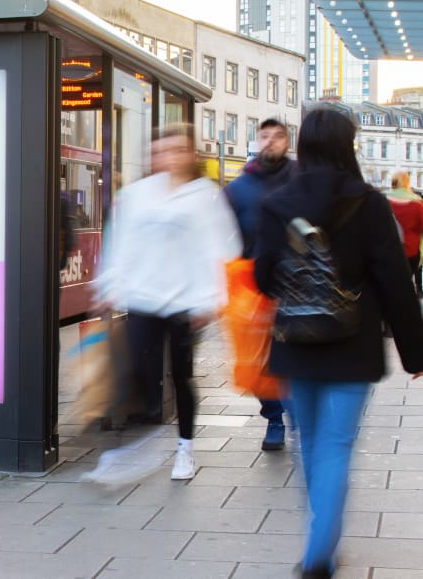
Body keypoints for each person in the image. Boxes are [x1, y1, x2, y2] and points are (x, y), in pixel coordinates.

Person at [254, 108, 423, 579]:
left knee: (310, 442)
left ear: (304, 145)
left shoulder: (279, 201)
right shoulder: (369, 204)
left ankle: (320, 542)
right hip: (354, 345)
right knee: (337, 445)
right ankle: (320, 551)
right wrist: (415, 351)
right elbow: (395, 283)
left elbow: (263, 278)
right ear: (348, 145)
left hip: (297, 344)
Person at [95, 123, 242, 480]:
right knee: (138, 370)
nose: (168, 157)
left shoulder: (204, 196)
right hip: (144, 296)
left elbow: (222, 247)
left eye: (176, 150)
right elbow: (121, 242)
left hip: (186, 302)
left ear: (190, 154)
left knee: (181, 375)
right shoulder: (139, 194)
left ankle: (185, 448)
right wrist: (109, 285)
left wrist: (211, 300)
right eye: (161, 151)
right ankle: (141, 442)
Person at [224, 118, 294, 452]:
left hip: (298, 284)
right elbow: (224, 238)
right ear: (256, 140)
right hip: (252, 286)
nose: (270, 142)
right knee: (259, 362)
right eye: (264, 136)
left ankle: (294, 413)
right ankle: (274, 418)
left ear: (287, 143)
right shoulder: (238, 189)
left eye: (278, 136)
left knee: (294, 353)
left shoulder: (300, 180)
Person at [385, 170, 423, 298]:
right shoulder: (417, 205)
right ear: (407, 183)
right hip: (410, 253)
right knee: (404, 285)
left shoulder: (382, 201)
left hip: (387, 253)